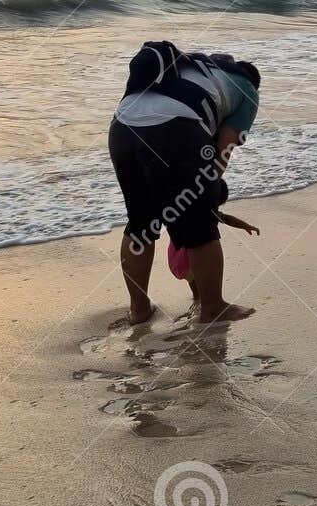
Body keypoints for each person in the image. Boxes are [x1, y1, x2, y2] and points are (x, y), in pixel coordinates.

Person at [108, 44, 261, 325]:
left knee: (140, 224)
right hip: (176, 129)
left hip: (122, 127)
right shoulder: (248, 91)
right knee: (199, 225)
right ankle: (213, 307)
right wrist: (208, 201)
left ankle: (139, 309)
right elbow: (220, 155)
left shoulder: (194, 67)